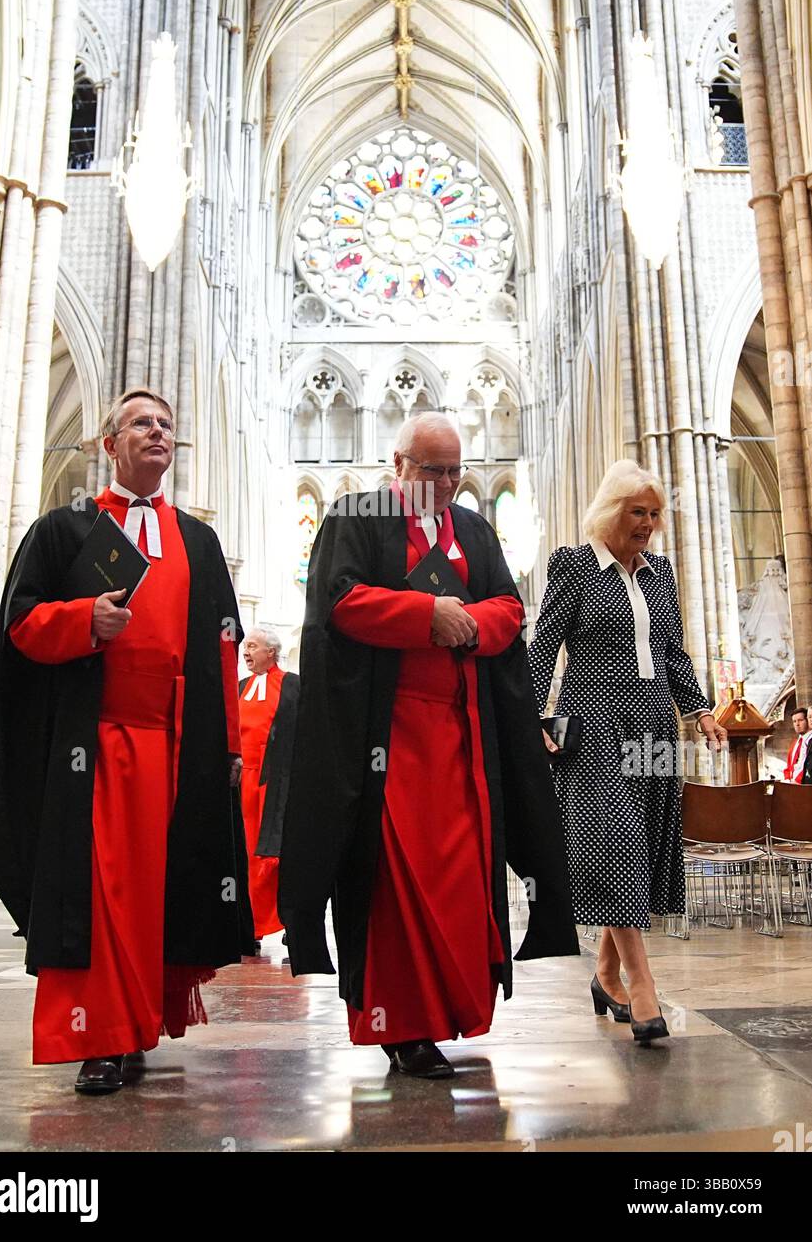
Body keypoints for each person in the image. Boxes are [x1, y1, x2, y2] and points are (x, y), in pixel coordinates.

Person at [279, 412, 578, 1079]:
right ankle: (400, 1025)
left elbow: (508, 607)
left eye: (453, 472)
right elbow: (339, 603)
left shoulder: (471, 528)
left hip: (464, 738)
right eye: (431, 471)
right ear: (398, 464)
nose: (444, 484)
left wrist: (465, 622)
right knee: (395, 882)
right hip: (385, 742)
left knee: (460, 878)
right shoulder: (354, 515)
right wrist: (424, 617)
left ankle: (450, 1010)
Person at [0, 388, 254, 1094]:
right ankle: (98, 1038)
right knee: (102, 890)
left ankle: (138, 1024)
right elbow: (19, 624)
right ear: (109, 444)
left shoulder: (198, 540)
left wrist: (226, 743)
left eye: (166, 423)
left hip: (179, 748)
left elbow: (224, 646)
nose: (158, 431)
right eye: (141, 422)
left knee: (159, 892)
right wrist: (82, 621)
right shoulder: (63, 530)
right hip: (95, 746)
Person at [529, 460, 728, 1044]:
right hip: (593, 723)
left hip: (653, 725)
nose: (648, 523)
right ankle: (643, 987)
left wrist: (698, 710)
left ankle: (606, 973)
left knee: (638, 851)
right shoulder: (575, 564)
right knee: (613, 847)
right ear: (612, 510)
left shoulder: (661, 573)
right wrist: (534, 716)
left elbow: (672, 651)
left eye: (655, 513)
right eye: (638, 512)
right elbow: (544, 647)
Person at [238, 625, 300, 950]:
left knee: (280, 853)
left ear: (271, 652)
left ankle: (291, 923)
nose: (246, 652)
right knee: (246, 853)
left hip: (277, 784)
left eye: (253, 646)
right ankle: (252, 926)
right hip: (243, 785)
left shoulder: (291, 685)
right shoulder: (240, 687)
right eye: (245, 647)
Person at [785, 707, 811, 782]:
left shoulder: (810, 741)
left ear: (808, 721)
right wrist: (787, 779)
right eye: (794, 721)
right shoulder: (795, 743)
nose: (797, 724)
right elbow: (789, 767)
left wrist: (797, 781)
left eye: (800, 720)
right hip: (791, 784)